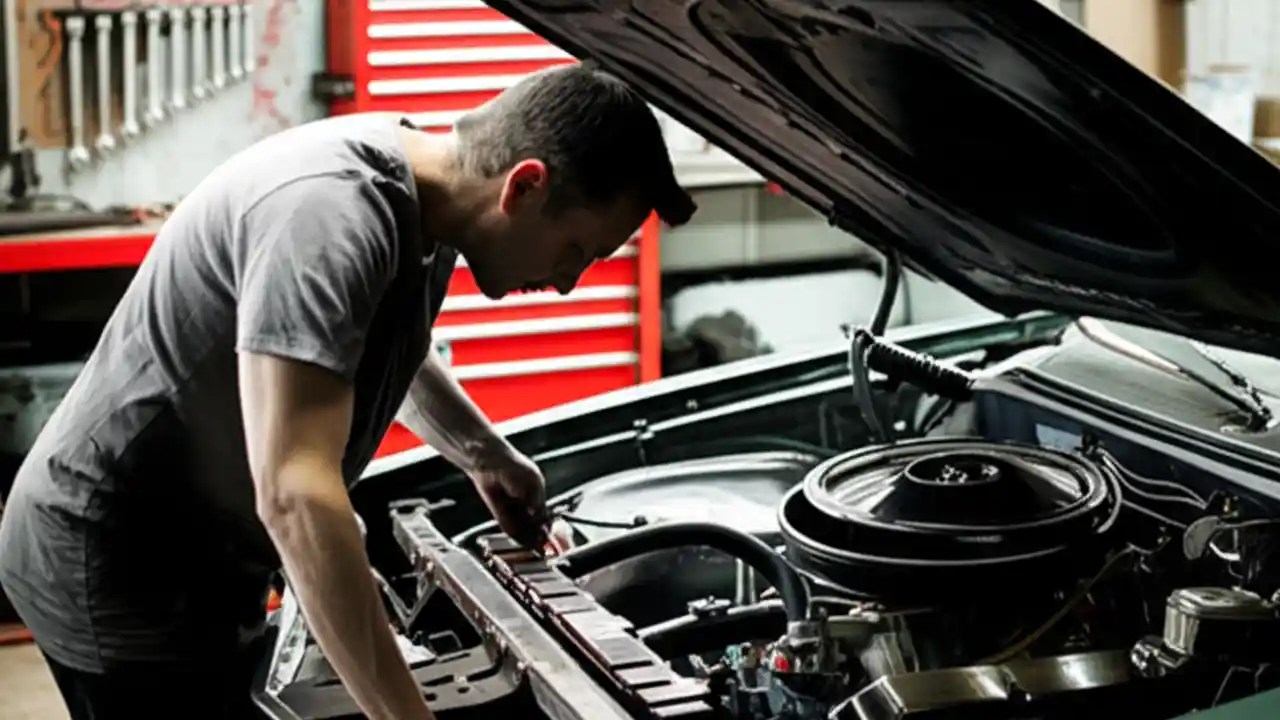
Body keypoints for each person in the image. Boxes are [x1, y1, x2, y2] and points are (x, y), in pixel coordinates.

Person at [0, 63, 696, 719]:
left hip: (202, 556)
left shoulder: (431, 207)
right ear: (524, 186)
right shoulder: (329, 213)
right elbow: (295, 494)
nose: (570, 281)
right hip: (116, 560)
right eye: (577, 252)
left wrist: (483, 454)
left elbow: (362, 346)